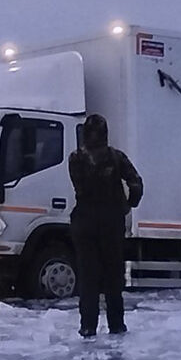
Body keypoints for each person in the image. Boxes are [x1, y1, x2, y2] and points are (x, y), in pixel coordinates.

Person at [68, 114, 143, 338]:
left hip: (86, 222)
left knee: (88, 278)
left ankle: (88, 326)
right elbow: (136, 183)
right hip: (111, 222)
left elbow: (79, 188)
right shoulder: (116, 157)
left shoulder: (76, 158)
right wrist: (129, 204)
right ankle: (116, 324)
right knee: (113, 277)